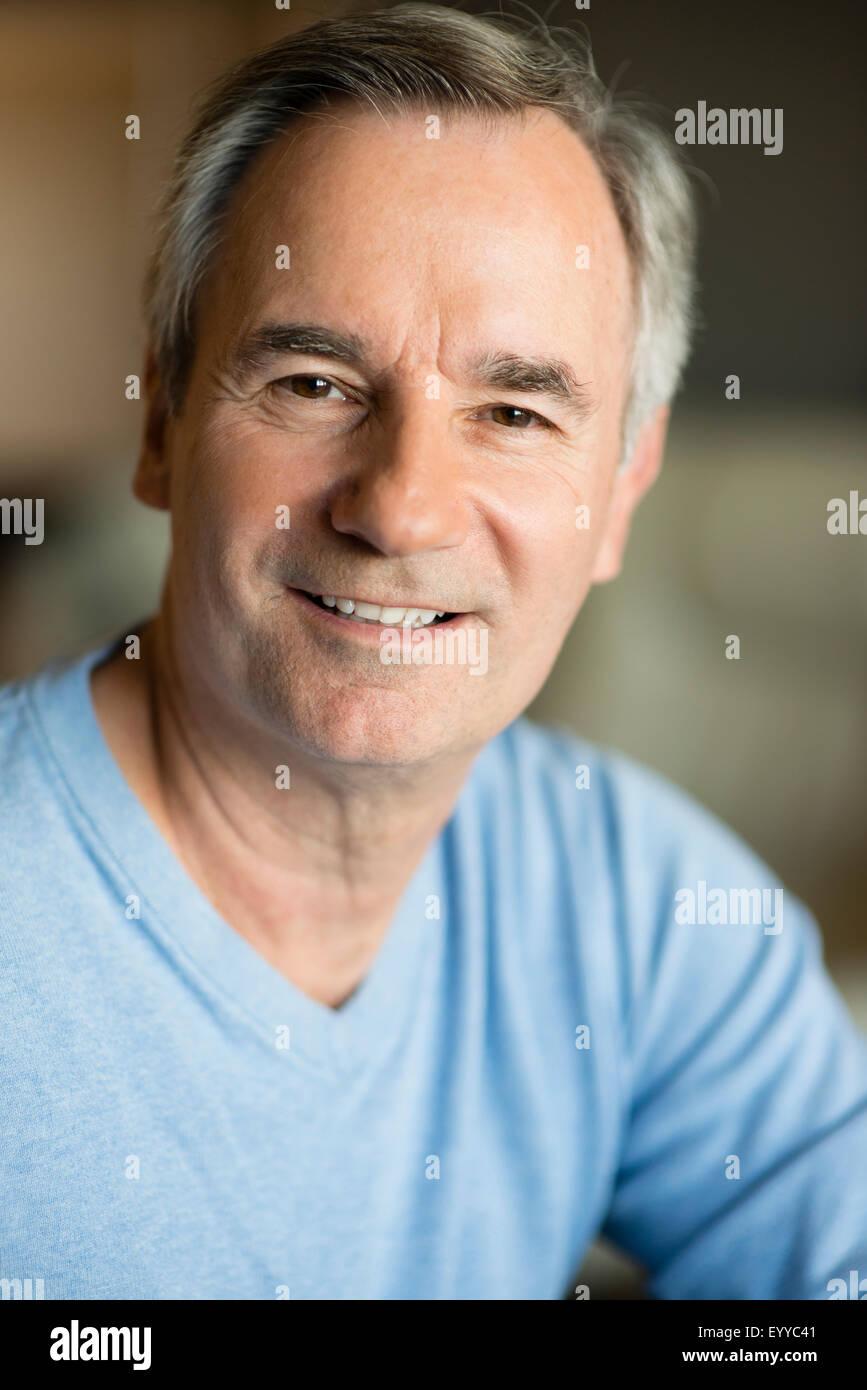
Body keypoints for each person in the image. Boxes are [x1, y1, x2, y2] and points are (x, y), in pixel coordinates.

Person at [2, 4, 865, 1301]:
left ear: (623, 487)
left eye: (513, 410)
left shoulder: (646, 910)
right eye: (312, 383)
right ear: (165, 421)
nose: (401, 506)